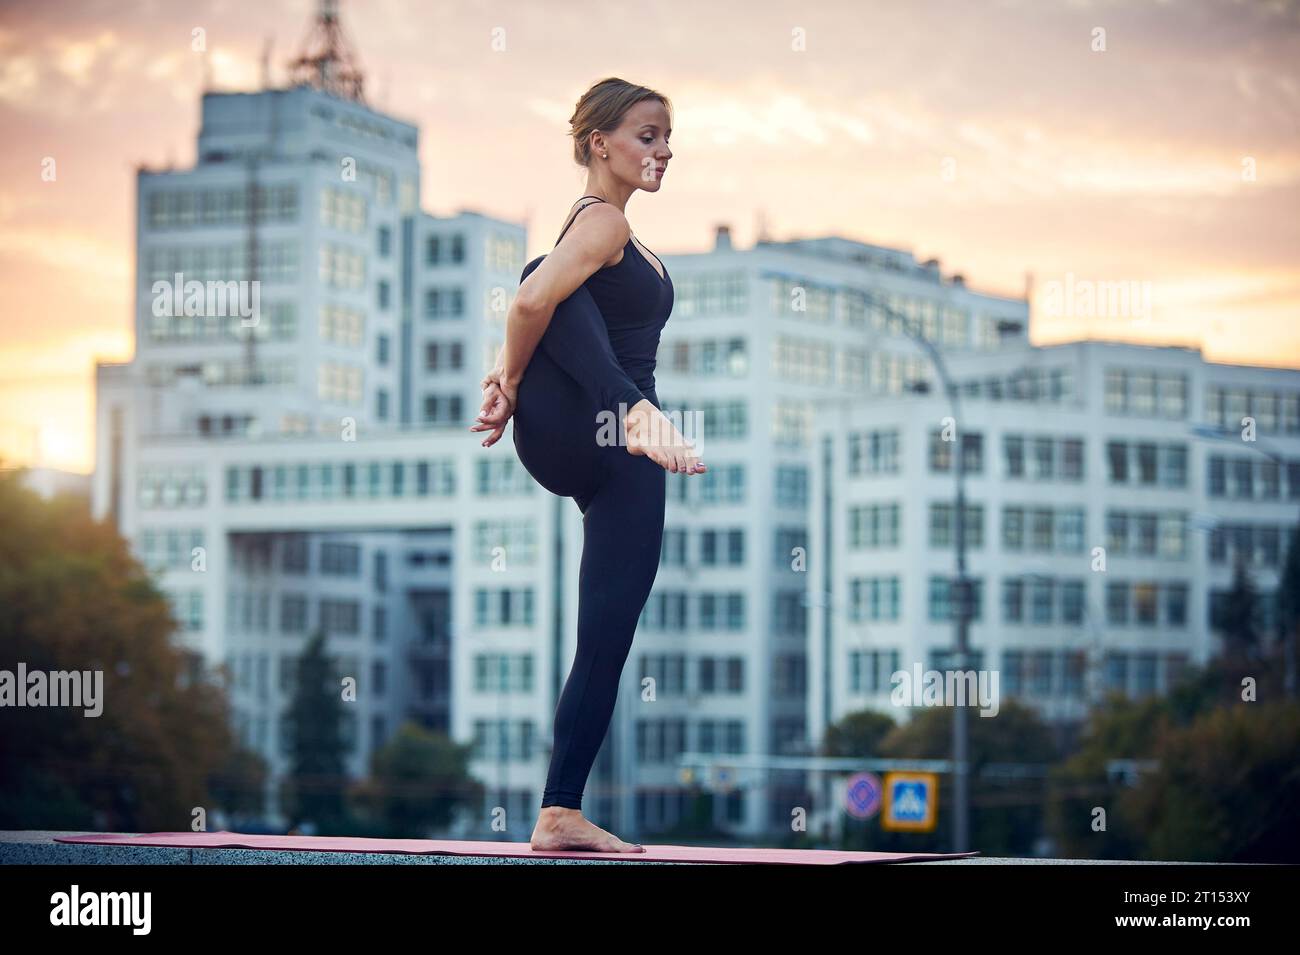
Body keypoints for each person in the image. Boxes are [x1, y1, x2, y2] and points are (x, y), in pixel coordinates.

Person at [469, 78, 702, 852]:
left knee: (606, 638)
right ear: (599, 143)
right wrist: (510, 380)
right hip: (601, 423)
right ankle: (633, 407)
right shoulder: (601, 222)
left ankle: (559, 810)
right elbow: (529, 304)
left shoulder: (617, 236)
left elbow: (540, 306)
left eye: (668, 137)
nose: (663, 150)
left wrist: (507, 383)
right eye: (647, 135)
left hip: (610, 456)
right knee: (543, 273)